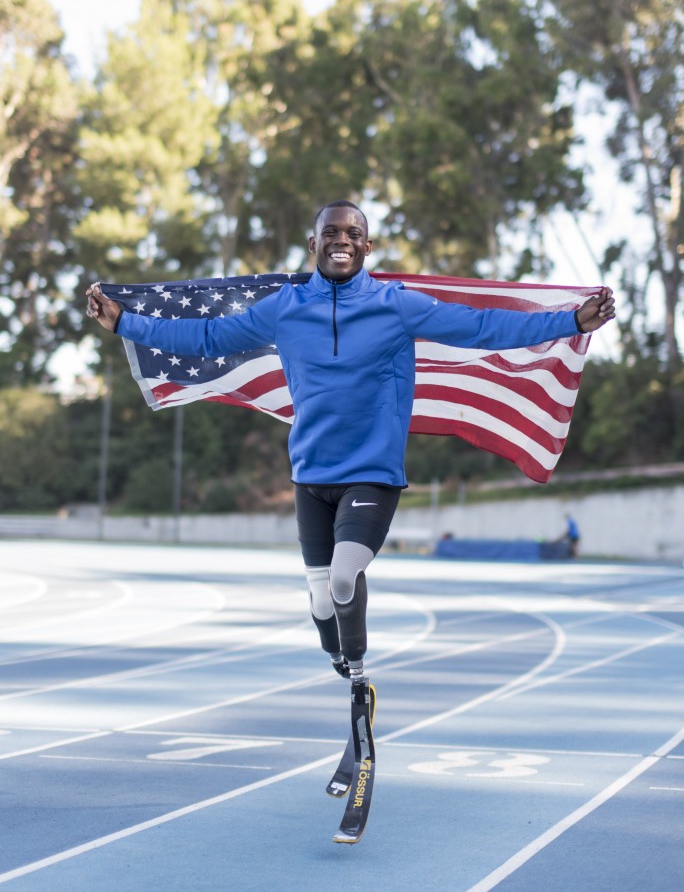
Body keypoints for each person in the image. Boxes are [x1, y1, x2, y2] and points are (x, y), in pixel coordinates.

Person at [86, 199, 615, 685]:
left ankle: (358, 669)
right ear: (314, 244)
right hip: (310, 476)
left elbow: (480, 327)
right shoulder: (284, 308)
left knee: (344, 575)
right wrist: (124, 324)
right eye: (331, 231)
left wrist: (569, 321)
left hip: (372, 474)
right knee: (320, 598)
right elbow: (205, 339)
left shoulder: (397, 305)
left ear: (368, 246)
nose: (342, 239)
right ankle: (337, 656)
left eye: (354, 232)